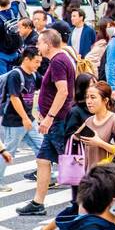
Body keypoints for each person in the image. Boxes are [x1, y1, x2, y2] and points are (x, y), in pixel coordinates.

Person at [16, 30, 78, 218]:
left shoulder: (59, 60)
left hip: (58, 120)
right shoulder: (62, 58)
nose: (37, 46)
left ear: (48, 44)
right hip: (57, 119)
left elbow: (63, 91)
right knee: (43, 161)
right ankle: (38, 203)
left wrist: (50, 117)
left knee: (70, 162)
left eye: (40, 42)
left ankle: (80, 204)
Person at [0, 46, 41, 190]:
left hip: (29, 119)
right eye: (36, 62)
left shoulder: (34, 75)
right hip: (14, 121)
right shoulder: (15, 75)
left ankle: (44, 175)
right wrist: (24, 117)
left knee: (41, 147)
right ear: (26, 59)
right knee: (8, 152)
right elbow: (14, 97)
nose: (38, 65)